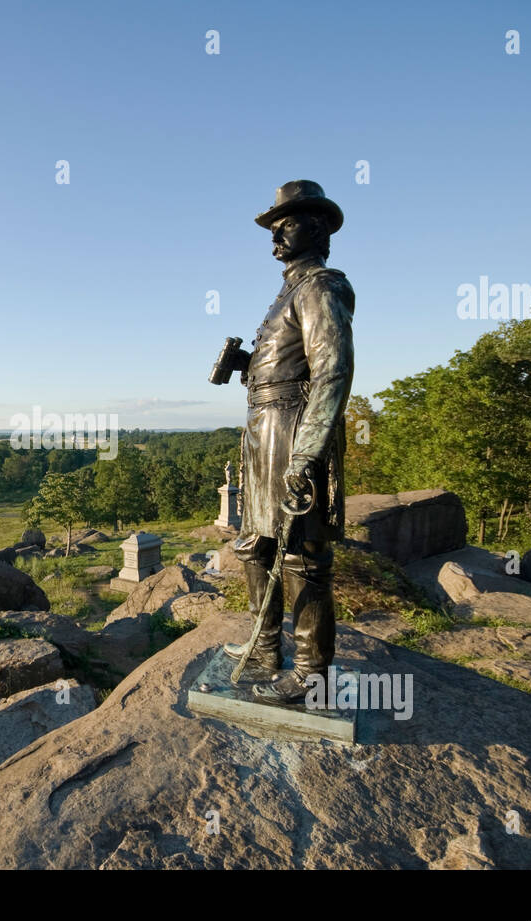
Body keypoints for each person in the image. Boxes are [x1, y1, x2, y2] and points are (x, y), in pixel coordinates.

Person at [218, 180, 355, 705]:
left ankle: (312, 673)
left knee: (303, 553)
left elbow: (332, 371)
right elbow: (282, 364)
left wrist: (308, 449)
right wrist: (245, 365)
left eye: (287, 224)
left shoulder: (322, 286)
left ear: (316, 228)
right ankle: (262, 648)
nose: (276, 236)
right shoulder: (288, 293)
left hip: (295, 428)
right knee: (256, 541)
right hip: (263, 429)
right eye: (273, 227)